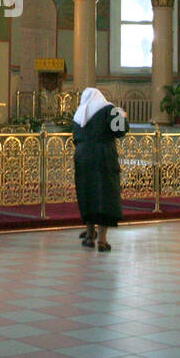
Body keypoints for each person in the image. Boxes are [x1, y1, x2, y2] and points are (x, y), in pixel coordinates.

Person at [72, 87, 126, 253]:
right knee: (105, 196)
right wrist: (123, 116)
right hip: (103, 157)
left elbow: (75, 137)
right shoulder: (109, 109)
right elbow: (120, 131)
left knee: (88, 194)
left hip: (82, 157)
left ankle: (89, 237)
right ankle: (102, 240)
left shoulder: (79, 113)